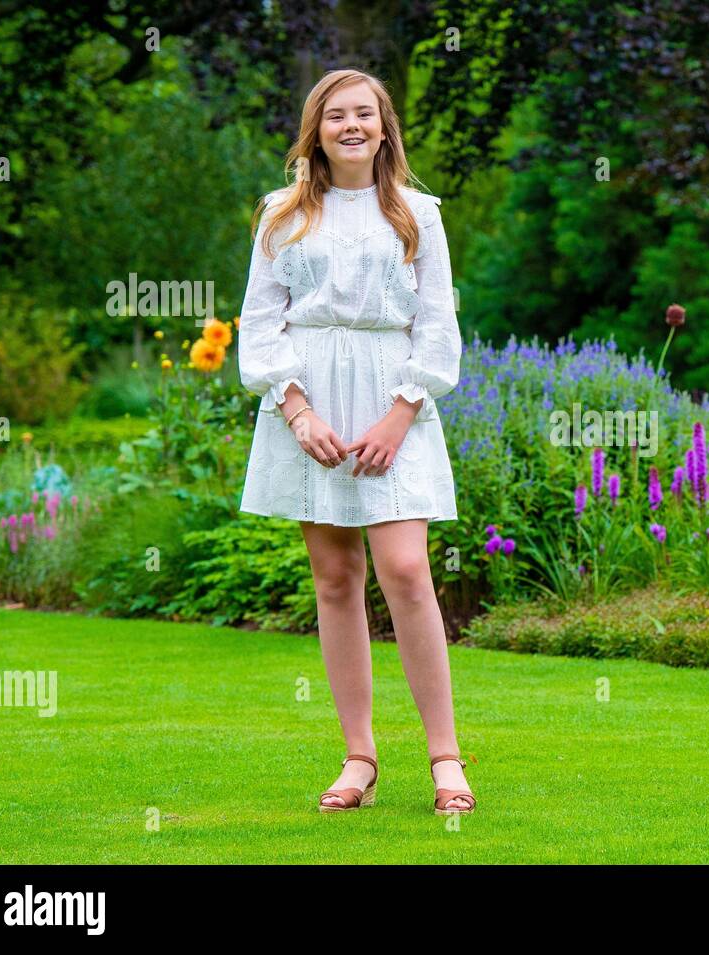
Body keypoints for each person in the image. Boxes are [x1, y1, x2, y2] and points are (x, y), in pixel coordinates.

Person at [236, 68, 474, 815]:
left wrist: (399, 413)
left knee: (404, 569)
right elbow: (261, 322)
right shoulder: (282, 214)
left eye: (363, 114)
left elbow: (438, 327)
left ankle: (446, 759)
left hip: (390, 399)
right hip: (310, 406)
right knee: (335, 577)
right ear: (316, 130)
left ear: (382, 126)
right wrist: (298, 412)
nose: (350, 125)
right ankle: (359, 756)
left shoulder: (416, 212)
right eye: (335, 115)